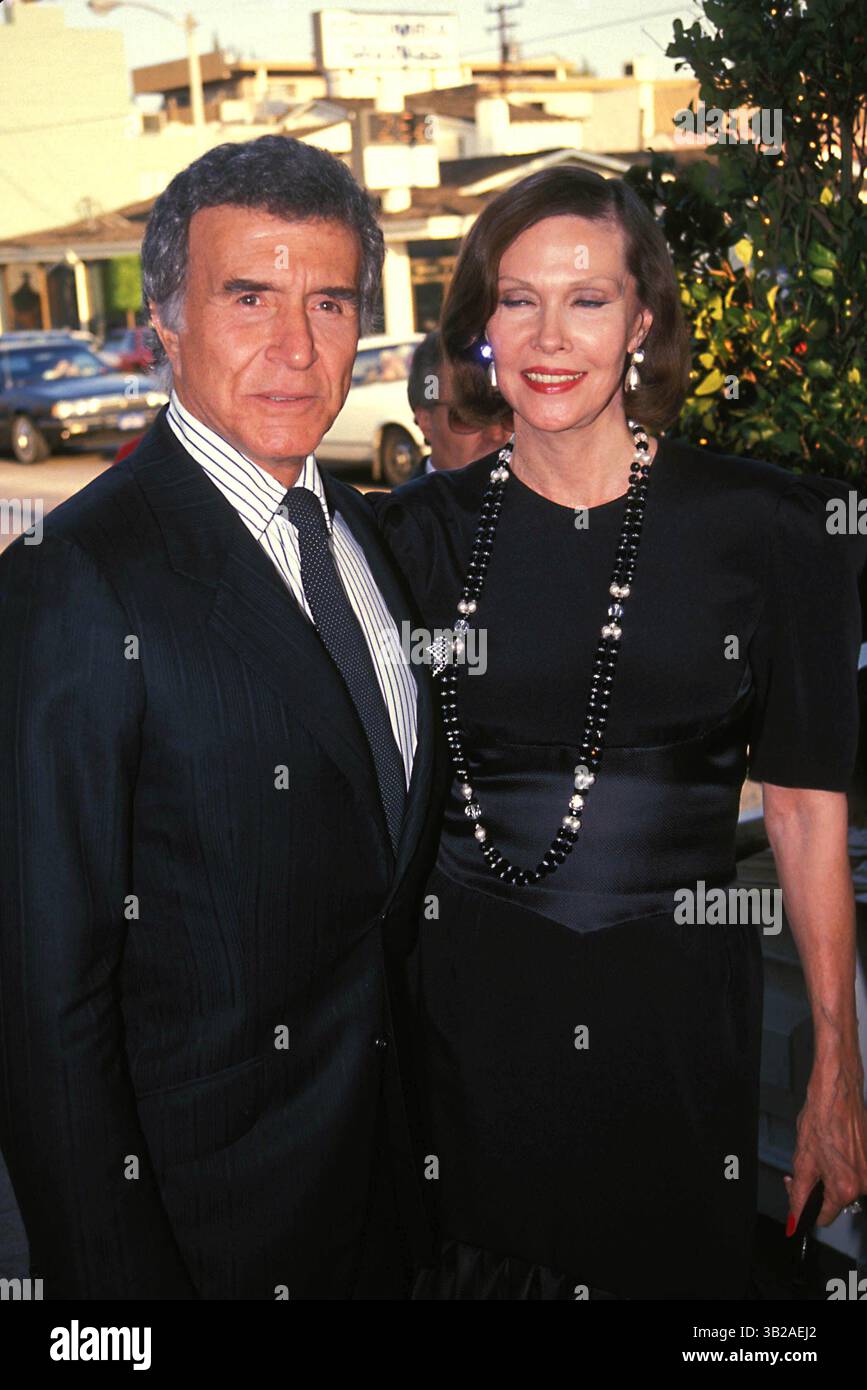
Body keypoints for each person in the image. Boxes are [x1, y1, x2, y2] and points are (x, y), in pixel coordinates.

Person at [370, 165, 867, 1299]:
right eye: (519, 298)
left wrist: (835, 1057)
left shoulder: (764, 530)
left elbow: (800, 803)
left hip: (672, 1022)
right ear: (480, 324)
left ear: (642, 322)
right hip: (467, 1023)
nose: (551, 336)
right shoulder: (410, 539)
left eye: (588, 300)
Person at [0, 135, 447, 1300]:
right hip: (203, 1238)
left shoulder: (364, 534)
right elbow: (44, 1005)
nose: (297, 348)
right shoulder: (78, 579)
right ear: (167, 324)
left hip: (385, 1206)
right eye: (249, 296)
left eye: (330, 302)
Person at [407, 330, 512, 476]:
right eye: (470, 416)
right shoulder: (403, 499)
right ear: (426, 421)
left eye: (508, 413)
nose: (495, 434)